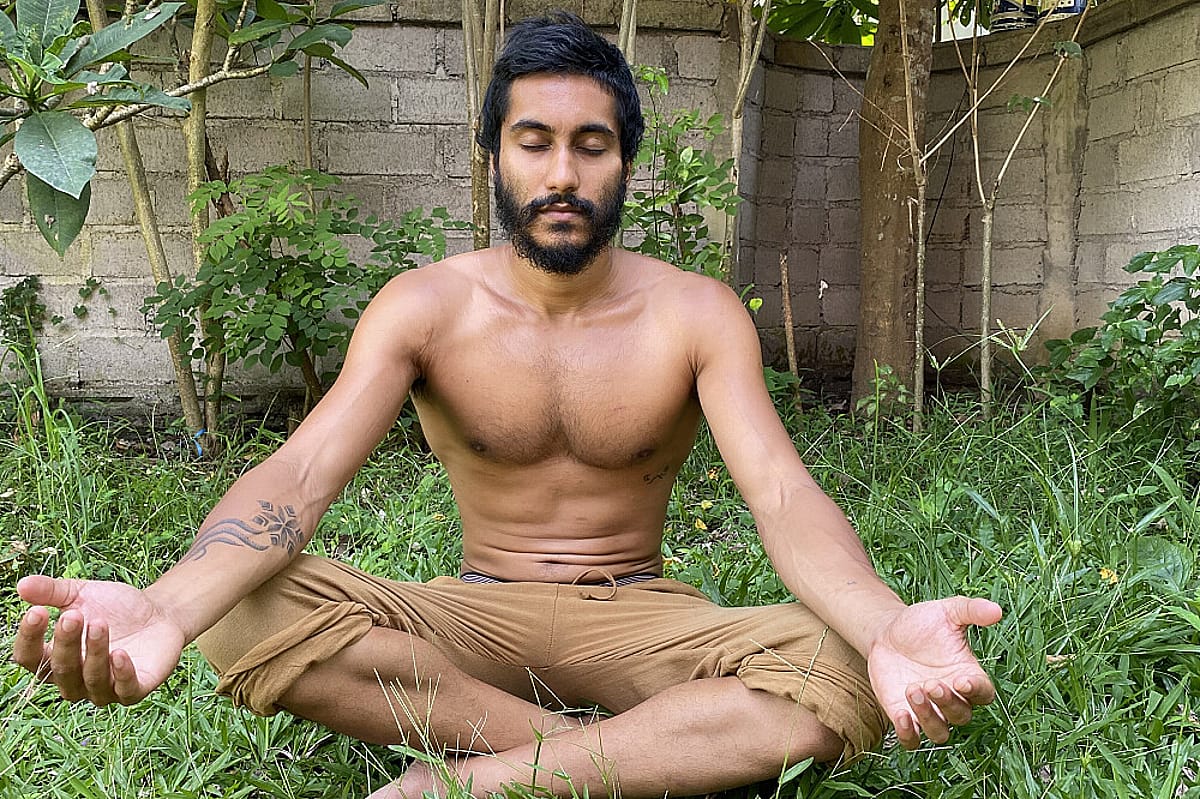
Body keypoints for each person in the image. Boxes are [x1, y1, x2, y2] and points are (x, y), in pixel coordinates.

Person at [12, 11, 1003, 799]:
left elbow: (782, 497)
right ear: (493, 154)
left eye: (591, 145)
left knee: (835, 668)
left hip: (644, 619)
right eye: (534, 143)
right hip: (472, 614)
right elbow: (301, 474)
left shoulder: (695, 313)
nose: (562, 175)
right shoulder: (426, 307)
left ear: (626, 160)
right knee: (243, 611)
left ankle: (485, 782)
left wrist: (880, 626)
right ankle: (622, 758)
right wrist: (171, 605)